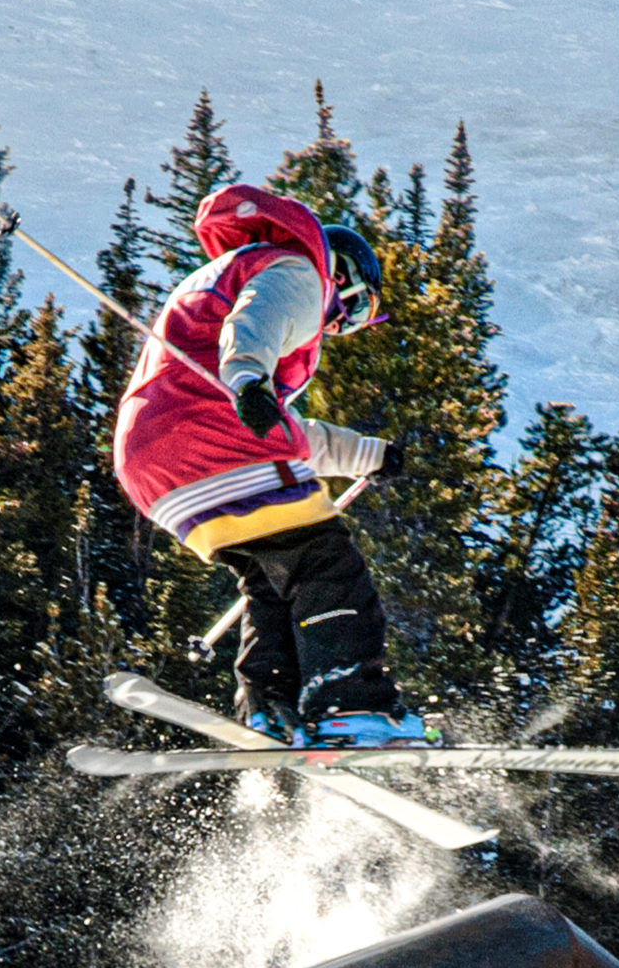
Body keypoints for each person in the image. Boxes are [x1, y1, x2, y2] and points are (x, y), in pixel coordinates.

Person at [112, 181, 430, 747]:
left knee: (271, 580)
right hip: (217, 437)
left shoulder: (229, 273)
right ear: (345, 276)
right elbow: (253, 325)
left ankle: (269, 708)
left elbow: (286, 433)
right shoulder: (299, 271)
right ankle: (349, 705)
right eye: (358, 307)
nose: (343, 324)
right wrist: (249, 377)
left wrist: (368, 455)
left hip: (154, 467)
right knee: (326, 568)